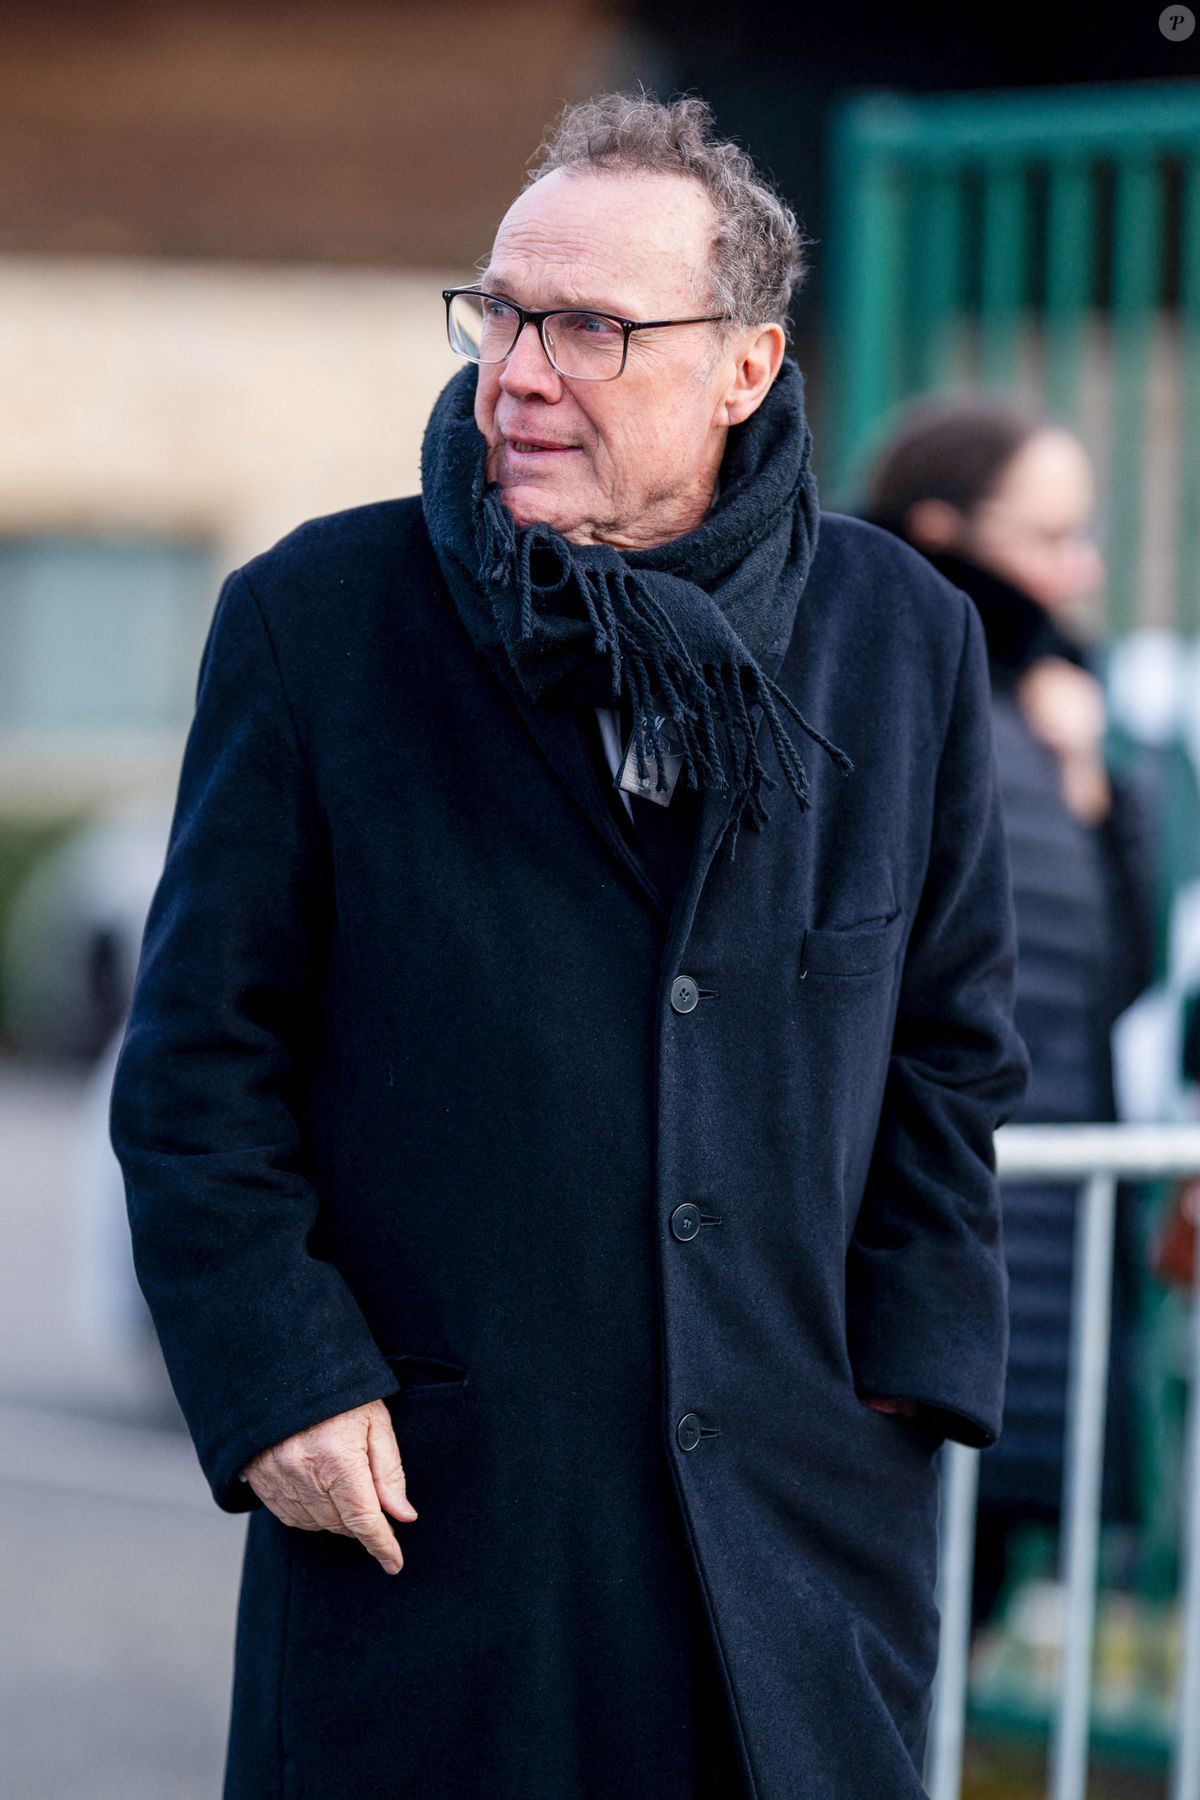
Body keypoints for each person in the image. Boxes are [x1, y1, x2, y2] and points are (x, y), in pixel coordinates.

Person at [108, 95, 1029, 1799]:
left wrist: (901, 1380)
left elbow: (951, 1040)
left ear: (746, 365)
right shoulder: (318, 624)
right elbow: (195, 1073)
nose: (515, 374)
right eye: (500, 313)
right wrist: (281, 1385)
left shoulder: (903, 638)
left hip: (790, 1557)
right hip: (443, 1542)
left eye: (591, 328)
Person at [864, 394, 1157, 1628]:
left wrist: (1093, 786)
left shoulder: (1057, 719)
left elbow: (1115, 978)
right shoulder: (888, 685)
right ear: (944, 529)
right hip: (903, 1293)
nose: (1081, 570)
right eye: (1050, 538)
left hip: (1015, 1287)